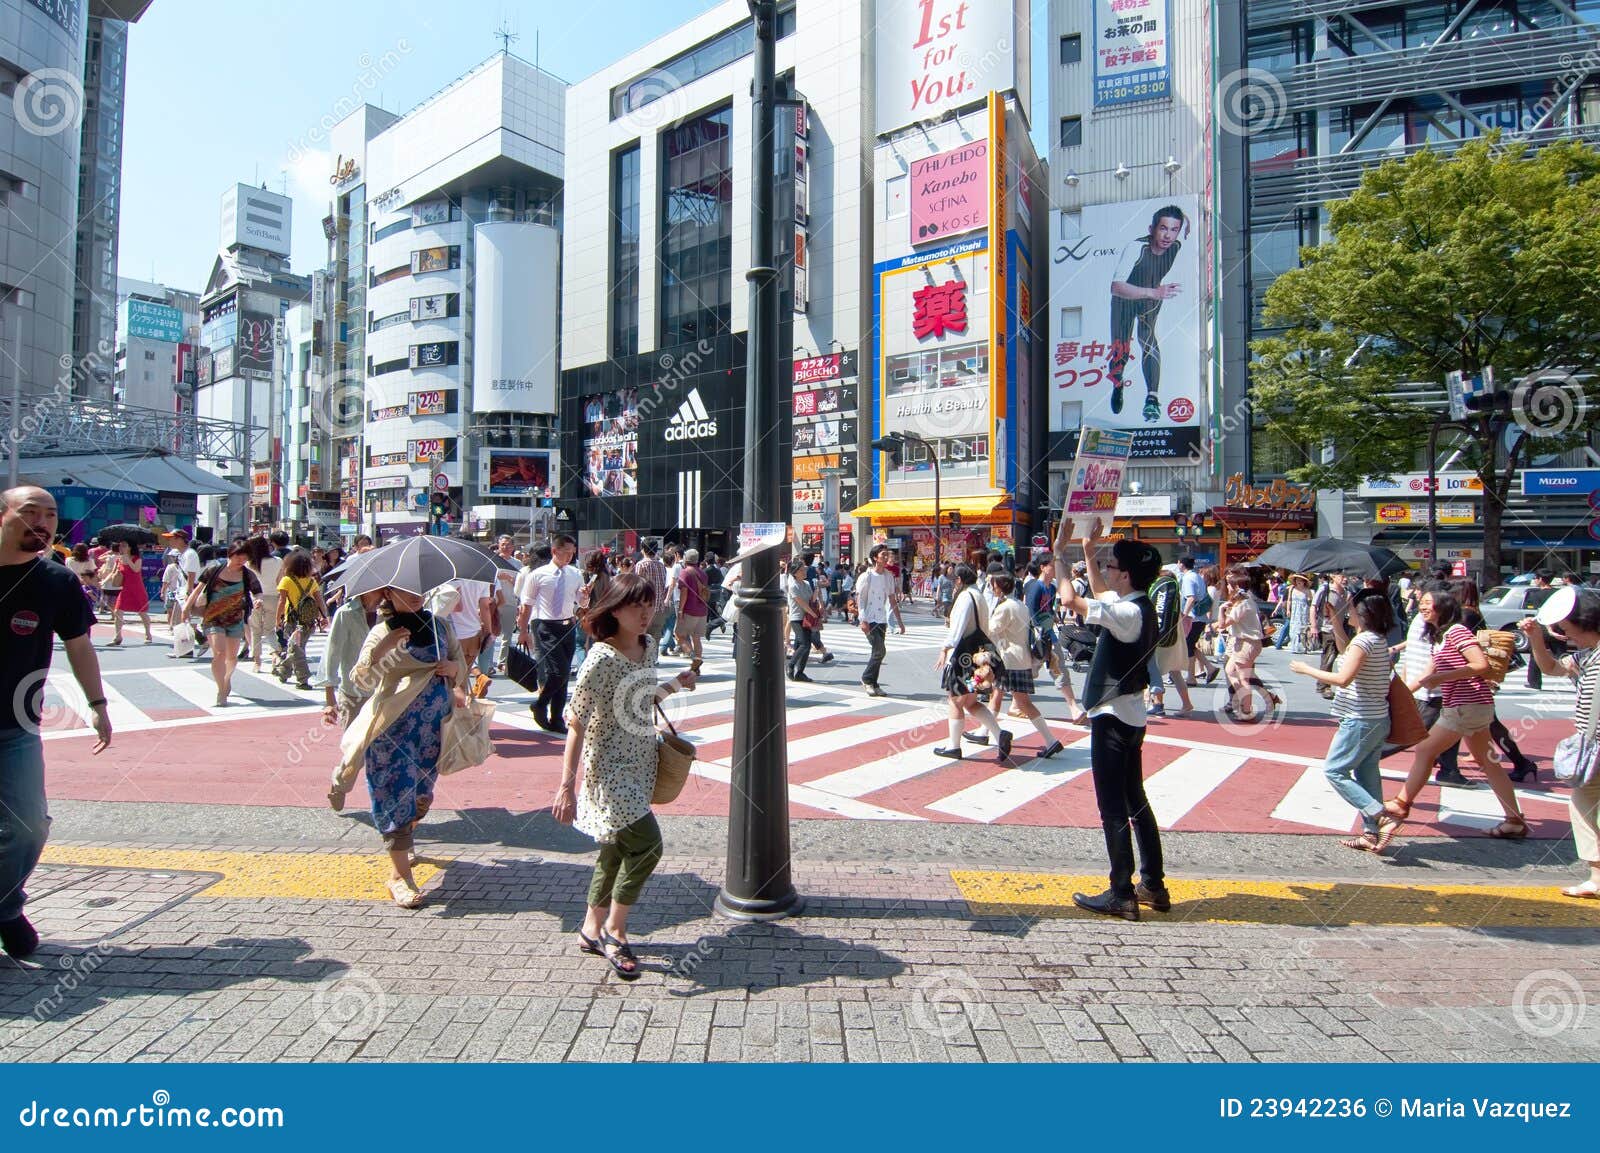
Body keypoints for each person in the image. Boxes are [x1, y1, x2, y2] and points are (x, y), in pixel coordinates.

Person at [554, 574, 697, 978]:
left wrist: (674, 684)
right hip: (609, 772)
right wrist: (567, 784)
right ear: (614, 609)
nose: (645, 614)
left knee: (616, 849)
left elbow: (640, 698)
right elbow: (576, 723)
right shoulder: (599, 659)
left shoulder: (648, 646)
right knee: (648, 846)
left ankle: (590, 929)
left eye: (649, 605)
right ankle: (616, 930)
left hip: (642, 762)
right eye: (636, 606)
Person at [0, 487, 112, 959]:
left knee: (30, 826)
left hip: (15, 728)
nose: (43, 522)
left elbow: (80, 646)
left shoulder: (55, 581)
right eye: (31, 513)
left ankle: (6, 907)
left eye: (50, 514)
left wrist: (98, 703)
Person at [1054, 518, 1167, 921]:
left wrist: (1059, 555)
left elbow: (1071, 600)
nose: (1108, 570)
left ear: (1126, 574)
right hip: (1132, 715)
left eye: (1112, 565)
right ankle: (1152, 883)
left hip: (1113, 717)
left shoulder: (1125, 612)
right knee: (1136, 801)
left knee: (1113, 808)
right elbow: (1101, 594)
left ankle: (1122, 892)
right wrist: (1087, 551)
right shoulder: (1138, 605)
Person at [336, 587, 467, 908]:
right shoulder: (382, 631)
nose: (414, 596)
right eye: (405, 592)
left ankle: (404, 842)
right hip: (389, 735)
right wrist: (380, 650)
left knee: (421, 798)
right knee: (396, 797)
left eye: (418, 591)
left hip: (431, 733)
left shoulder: (440, 627)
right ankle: (400, 877)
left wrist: (454, 670)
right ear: (389, 594)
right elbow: (362, 681)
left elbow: (461, 667)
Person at [1383, 589, 1527, 841]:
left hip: (1466, 705)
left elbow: (1479, 665)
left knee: (1425, 750)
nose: (1422, 607)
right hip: (1470, 705)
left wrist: (1441, 678)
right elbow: (1425, 677)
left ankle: (1401, 803)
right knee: (1488, 763)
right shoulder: (1439, 637)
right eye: (1421, 603)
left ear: (1443, 607)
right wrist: (1398, 697)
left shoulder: (1456, 631)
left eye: (1428, 603)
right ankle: (1514, 820)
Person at [1290, 590, 1404, 852]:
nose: (1349, 611)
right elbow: (1345, 650)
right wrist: (1337, 622)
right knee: (1367, 774)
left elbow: (1343, 679)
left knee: (1335, 770)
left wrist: (1306, 669)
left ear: (1363, 613)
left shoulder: (1364, 642)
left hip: (1360, 719)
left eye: (1351, 609)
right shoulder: (1373, 639)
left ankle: (1381, 816)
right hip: (1375, 718)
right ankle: (1370, 833)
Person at [1518, 591, 1600, 899]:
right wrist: (1536, 638)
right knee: (1582, 805)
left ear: (1585, 622)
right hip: (1592, 748)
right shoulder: (1586, 655)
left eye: (1566, 627)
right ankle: (1596, 876)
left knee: (1583, 806)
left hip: (1594, 747)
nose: (1564, 633)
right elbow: (1551, 668)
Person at [1106, 204, 1189, 424]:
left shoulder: (1176, 245)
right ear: (1151, 228)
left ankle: (1152, 399)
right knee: (1120, 351)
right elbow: (1116, 286)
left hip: (1150, 301)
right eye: (1163, 228)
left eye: (1174, 230)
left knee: (1149, 340)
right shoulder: (1135, 248)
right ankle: (1118, 382)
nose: (1168, 235)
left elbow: (1185, 225)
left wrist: (1186, 221)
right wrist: (1154, 291)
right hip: (1125, 300)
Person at [932, 564, 1012, 762]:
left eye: (954, 581)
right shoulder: (980, 595)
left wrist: (945, 648)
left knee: (956, 700)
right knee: (970, 701)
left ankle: (953, 746)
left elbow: (957, 628)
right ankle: (999, 733)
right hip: (979, 656)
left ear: (959, 580)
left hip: (963, 657)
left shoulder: (965, 597)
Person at [986, 572, 1064, 756]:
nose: (992, 588)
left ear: (1001, 587)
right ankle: (983, 732)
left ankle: (1051, 740)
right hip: (1020, 658)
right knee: (998, 695)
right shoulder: (1021, 605)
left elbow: (991, 629)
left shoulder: (1005, 607)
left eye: (994, 585)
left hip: (1009, 659)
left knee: (1023, 703)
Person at [321, 588, 385, 811]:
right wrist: (329, 700)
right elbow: (332, 654)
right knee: (355, 750)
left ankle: (385, 804)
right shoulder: (346, 613)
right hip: (353, 692)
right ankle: (339, 784)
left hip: (383, 691)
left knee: (383, 750)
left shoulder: (389, 612)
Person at [518, 534, 583, 733]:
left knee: (562, 676)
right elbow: (526, 605)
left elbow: (581, 602)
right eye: (566, 552)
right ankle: (540, 704)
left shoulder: (575, 573)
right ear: (555, 551)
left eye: (573, 553)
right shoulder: (537, 575)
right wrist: (523, 631)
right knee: (559, 671)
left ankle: (556, 718)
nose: (570, 557)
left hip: (568, 625)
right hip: (545, 625)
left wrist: (585, 597)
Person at [185, 541, 261, 706]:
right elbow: (197, 590)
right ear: (230, 554)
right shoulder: (214, 570)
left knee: (232, 657)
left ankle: (226, 679)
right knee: (219, 654)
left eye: (245, 557)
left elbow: (257, 592)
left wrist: (258, 601)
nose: (241, 560)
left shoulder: (247, 574)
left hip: (235, 620)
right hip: (213, 618)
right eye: (238, 556)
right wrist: (186, 608)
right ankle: (221, 690)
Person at [1219, 567, 1279, 721]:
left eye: (1229, 584)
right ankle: (1253, 700)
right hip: (1243, 642)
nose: (1227, 586)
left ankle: (1246, 710)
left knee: (1244, 677)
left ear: (1237, 586)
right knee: (1232, 671)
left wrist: (1221, 610)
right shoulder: (1243, 601)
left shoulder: (1243, 603)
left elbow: (1223, 624)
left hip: (1247, 643)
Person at [275, 549, 328, 691]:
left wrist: (278, 620)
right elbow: (319, 600)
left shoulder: (286, 580)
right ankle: (284, 670)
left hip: (292, 621)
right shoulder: (312, 582)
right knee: (298, 649)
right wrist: (324, 617)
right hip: (309, 622)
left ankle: (302, 679)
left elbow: (281, 601)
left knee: (296, 650)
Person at [1145, 563, 1192, 716]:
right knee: (1175, 672)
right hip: (1174, 639)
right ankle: (1187, 704)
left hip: (1161, 640)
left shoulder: (1160, 595)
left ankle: (1158, 704)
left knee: (1155, 670)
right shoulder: (1174, 599)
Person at [855, 545, 897, 697]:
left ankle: (874, 683)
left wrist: (899, 621)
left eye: (887, 555)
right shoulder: (866, 576)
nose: (886, 558)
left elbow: (892, 598)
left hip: (882, 618)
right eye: (883, 555)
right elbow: (860, 598)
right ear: (875, 557)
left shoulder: (888, 576)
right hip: (869, 618)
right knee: (880, 650)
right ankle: (867, 679)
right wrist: (862, 619)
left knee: (877, 652)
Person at [245, 536, 284, 673]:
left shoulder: (248, 564)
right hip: (273, 597)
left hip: (255, 598)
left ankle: (257, 662)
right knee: (270, 630)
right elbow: (280, 582)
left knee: (255, 630)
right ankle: (275, 655)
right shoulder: (278, 561)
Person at [1177, 555, 1215, 685]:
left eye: (1178, 563)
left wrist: (1184, 615)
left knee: (1188, 646)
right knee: (1190, 645)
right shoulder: (1197, 576)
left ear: (1181, 564)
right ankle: (1210, 668)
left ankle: (1191, 678)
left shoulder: (1188, 578)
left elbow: (1191, 598)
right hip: (1199, 617)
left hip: (1192, 618)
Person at [672, 549, 711, 674]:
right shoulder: (703, 573)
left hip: (689, 609)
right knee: (696, 638)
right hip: (702, 610)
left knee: (678, 635)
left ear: (685, 559)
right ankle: (696, 667)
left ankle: (694, 659)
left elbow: (684, 593)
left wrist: (680, 610)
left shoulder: (685, 572)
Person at [108, 542, 154, 646]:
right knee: (117, 611)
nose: (121, 548)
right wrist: (105, 579)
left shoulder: (137, 558)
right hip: (125, 589)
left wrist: (127, 559)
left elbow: (136, 569)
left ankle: (148, 634)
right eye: (120, 546)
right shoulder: (118, 560)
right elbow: (114, 573)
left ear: (130, 547)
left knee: (142, 612)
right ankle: (117, 636)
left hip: (137, 589)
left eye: (124, 546)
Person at [786, 557, 817, 682]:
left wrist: (816, 595)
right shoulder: (793, 586)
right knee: (805, 644)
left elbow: (811, 600)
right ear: (795, 572)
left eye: (805, 570)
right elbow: (801, 603)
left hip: (807, 617)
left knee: (805, 645)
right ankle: (790, 665)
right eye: (802, 570)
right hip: (797, 617)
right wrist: (813, 613)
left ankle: (800, 672)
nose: (805, 572)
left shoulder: (807, 584)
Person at [635, 541, 670, 643]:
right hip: (659, 608)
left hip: (645, 609)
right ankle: (653, 659)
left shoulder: (641, 565)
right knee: (655, 641)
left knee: (641, 640)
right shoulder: (661, 565)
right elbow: (665, 586)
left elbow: (638, 588)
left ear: (642, 550)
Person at [66, 542, 100, 611]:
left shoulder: (68, 560)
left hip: (72, 581)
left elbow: (67, 570)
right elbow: (92, 573)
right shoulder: (90, 561)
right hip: (86, 582)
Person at [159, 549, 185, 629]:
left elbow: (165, 581)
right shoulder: (184, 567)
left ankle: (171, 626)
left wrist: (162, 592)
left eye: (172, 557)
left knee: (170, 611)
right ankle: (175, 626)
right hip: (181, 592)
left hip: (172, 592)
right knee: (178, 611)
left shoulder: (170, 567)